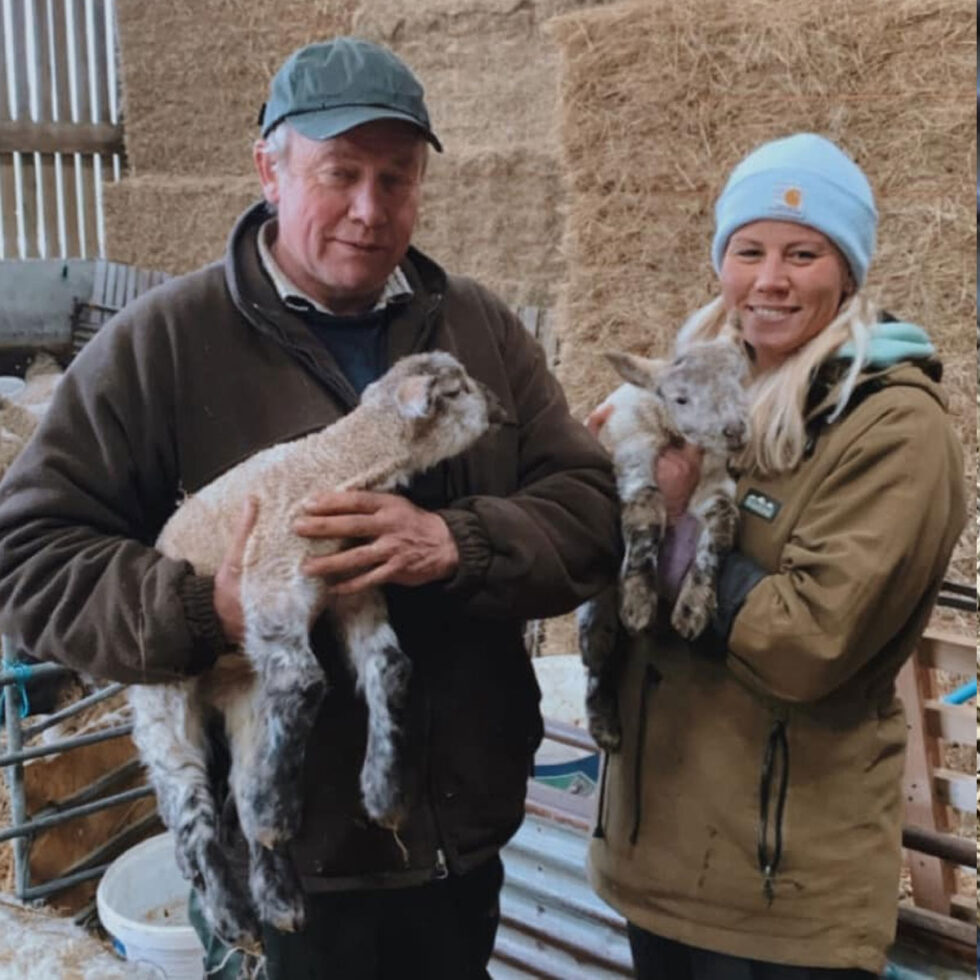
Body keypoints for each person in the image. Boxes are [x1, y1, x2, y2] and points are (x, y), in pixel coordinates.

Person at [0, 38, 621, 979]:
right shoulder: (163, 347)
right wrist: (210, 611)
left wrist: (458, 545)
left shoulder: (480, 334)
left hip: (458, 845)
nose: (370, 211)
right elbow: (28, 556)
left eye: (396, 178)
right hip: (280, 872)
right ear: (270, 170)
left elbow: (590, 512)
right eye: (340, 174)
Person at [586, 133, 965, 979]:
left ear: (849, 271)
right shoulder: (693, 394)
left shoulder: (893, 425)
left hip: (779, 898)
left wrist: (675, 519)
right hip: (657, 867)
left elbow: (807, 643)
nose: (770, 279)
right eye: (748, 250)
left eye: (804, 252)